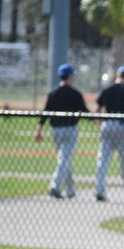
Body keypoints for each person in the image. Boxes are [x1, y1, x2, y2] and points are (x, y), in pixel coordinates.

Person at [35, 63, 89, 199]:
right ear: (70, 76)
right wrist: (97, 121)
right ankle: (55, 186)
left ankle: (70, 190)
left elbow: (45, 112)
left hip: (55, 131)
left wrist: (39, 130)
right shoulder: (75, 93)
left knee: (64, 159)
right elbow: (85, 110)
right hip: (70, 130)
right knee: (64, 159)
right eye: (73, 75)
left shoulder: (53, 93)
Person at [95, 65, 124, 202]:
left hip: (107, 125)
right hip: (122, 125)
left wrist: (101, 124)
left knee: (103, 161)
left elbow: (98, 111)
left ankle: (99, 190)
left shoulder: (107, 89)